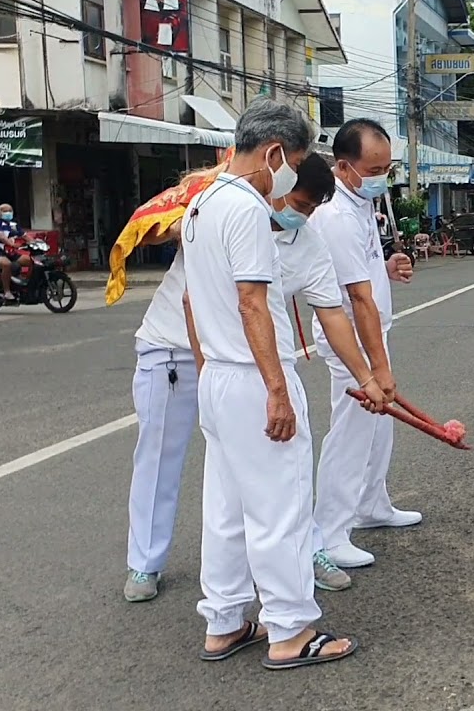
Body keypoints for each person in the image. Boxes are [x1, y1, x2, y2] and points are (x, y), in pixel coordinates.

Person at [121, 153, 376, 602]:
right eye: (299, 203)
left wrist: (367, 377)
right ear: (278, 185)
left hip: (248, 364)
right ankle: (146, 563)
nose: (302, 215)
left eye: (311, 209)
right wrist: (210, 376)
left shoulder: (307, 243)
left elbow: (332, 314)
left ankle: (303, 552)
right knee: (163, 461)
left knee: (278, 469)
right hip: (177, 350)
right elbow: (192, 302)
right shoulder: (222, 210)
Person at [180, 97, 355, 669]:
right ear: (275, 152)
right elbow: (252, 302)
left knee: (226, 508)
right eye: (294, 164)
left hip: (219, 377)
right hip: (255, 378)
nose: (290, 177)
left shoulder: (200, 202)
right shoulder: (248, 209)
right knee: (281, 505)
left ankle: (225, 621)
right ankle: (290, 629)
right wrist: (277, 390)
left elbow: (192, 301)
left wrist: (208, 372)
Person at [311, 118, 415, 569]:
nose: (381, 178)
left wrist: (386, 268)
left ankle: (372, 504)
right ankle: (330, 532)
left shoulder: (360, 202)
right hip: (349, 339)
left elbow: (361, 274)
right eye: (373, 170)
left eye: (386, 169)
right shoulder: (335, 213)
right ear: (343, 166)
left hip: (371, 331)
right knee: (351, 432)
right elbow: (357, 298)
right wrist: (378, 368)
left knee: (378, 427)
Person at [0, 203, 33, 301]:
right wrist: (11, 243)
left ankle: (23, 284)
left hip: (11, 252)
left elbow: (25, 235)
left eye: (9, 211)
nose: (8, 213)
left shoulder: (14, 225)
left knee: (30, 261)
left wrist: (36, 242)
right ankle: (7, 291)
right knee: (7, 265)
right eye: (5, 211)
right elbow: (1, 236)